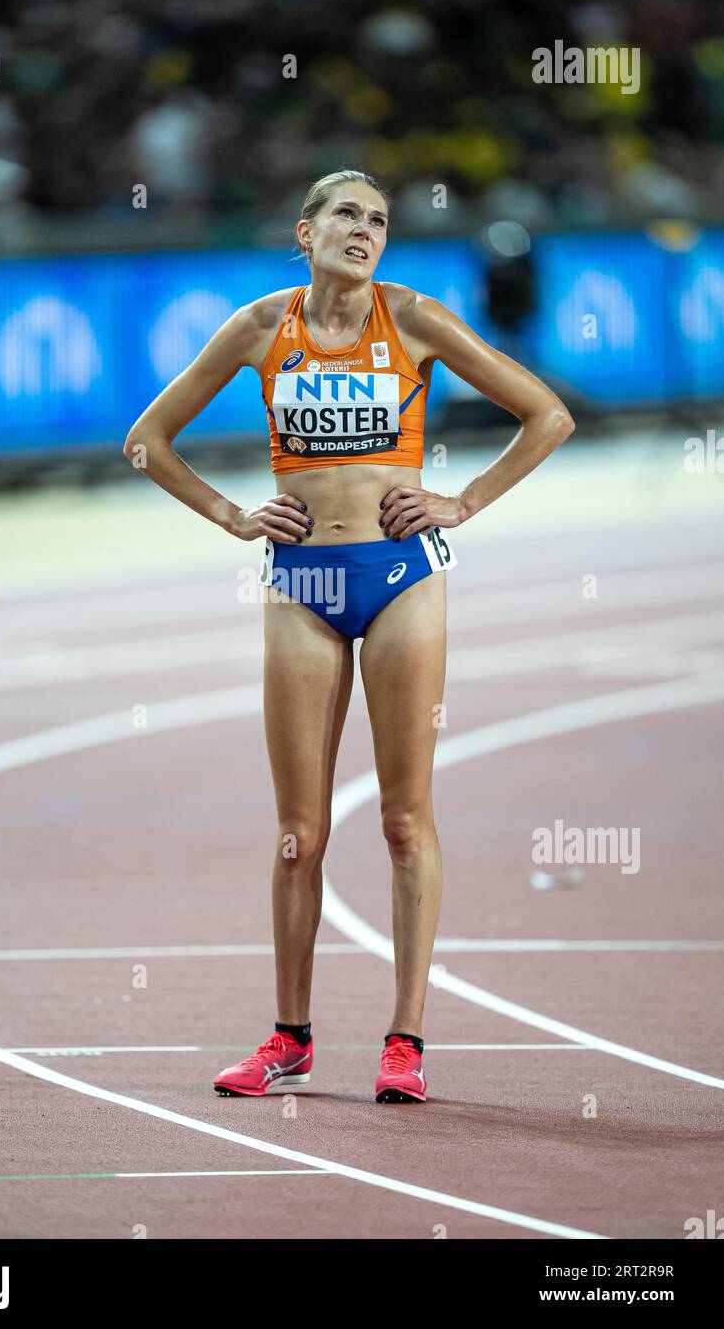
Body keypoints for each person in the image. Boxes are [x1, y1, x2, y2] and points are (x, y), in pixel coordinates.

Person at [123, 169, 574, 1103]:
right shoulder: (258, 328)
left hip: (403, 577)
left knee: (406, 821)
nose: (365, 231)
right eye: (347, 216)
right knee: (299, 833)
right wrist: (229, 515)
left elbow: (547, 415)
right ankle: (289, 1038)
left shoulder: (414, 319)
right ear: (306, 231)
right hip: (302, 583)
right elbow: (147, 440)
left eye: (378, 220)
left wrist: (464, 499)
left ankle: (405, 1042)